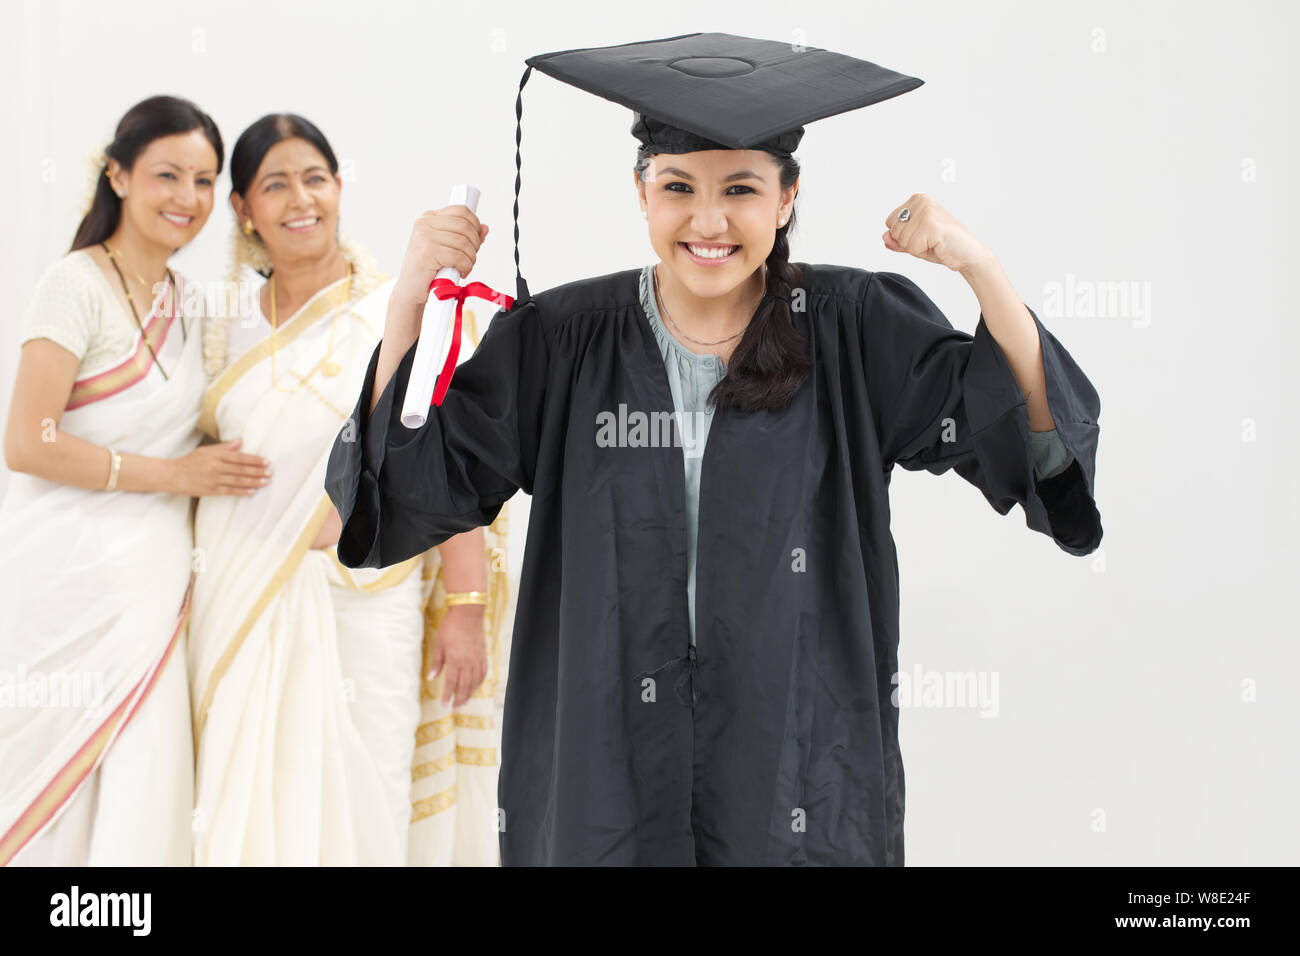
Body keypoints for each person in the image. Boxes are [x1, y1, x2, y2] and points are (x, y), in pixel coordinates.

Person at [325, 33, 1103, 865]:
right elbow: (406, 491)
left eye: (740, 189)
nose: (707, 221)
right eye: (677, 188)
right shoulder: (561, 342)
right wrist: (410, 294)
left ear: (786, 198)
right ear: (640, 192)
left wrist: (978, 266)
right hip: (605, 761)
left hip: (799, 763)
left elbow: (1030, 437)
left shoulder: (851, 328)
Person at [188, 114, 504, 866]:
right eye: (276, 184)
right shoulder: (218, 327)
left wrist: (466, 607)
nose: (301, 200)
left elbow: (442, 462)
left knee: (366, 799)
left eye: (315, 178)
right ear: (243, 207)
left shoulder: (394, 308)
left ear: (337, 187)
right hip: (237, 598)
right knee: (246, 802)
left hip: (367, 596)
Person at [0, 95, 266, 866]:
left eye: (206, 180)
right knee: (47, 771)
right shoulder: (73, 285)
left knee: (144, 777)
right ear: (117, 174)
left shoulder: (191, 305)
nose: (187, 198)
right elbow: (27, 440)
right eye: (167, 175)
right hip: (66, 580)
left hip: (153, 587)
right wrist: (176, 474)